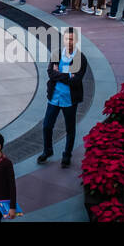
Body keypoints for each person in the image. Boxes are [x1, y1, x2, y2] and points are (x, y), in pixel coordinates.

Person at [38, 28, 85, 168]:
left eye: (71, 39)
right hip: (54, 97)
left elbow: (76, 80)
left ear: (75, 41)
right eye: (66, 39)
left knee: (70, 128)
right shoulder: (57, 54)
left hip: (69, 99)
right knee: (47, 126)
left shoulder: (80, 58)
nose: (68, 42)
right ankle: (48, 151)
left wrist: (60, 73)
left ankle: (67, 155)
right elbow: (50, 73)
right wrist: (68, 75)